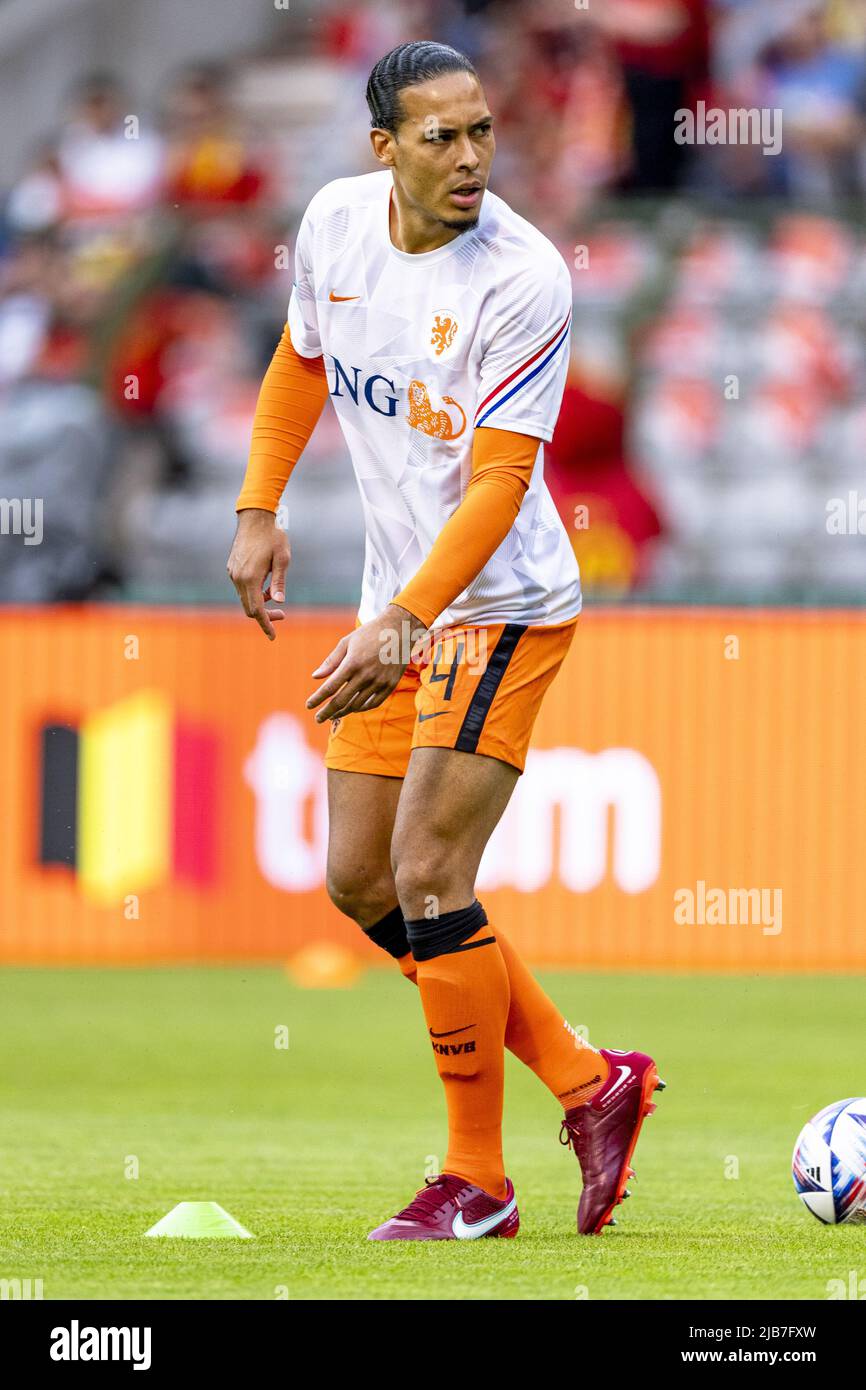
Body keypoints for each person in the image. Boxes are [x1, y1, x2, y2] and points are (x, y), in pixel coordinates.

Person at [227, 40, 663, 1241]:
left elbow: (496, 483)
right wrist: (258, 509)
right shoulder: (331, 226)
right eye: (440, 137)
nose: (470, 156)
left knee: (427, 872)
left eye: (480, 131)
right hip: (399, 599)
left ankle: (478, 1180)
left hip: (499, 605)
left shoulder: (522, 275)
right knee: (360, 881)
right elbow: (300, 362)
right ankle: (590, 1081)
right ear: (383, 150)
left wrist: (403, 623)